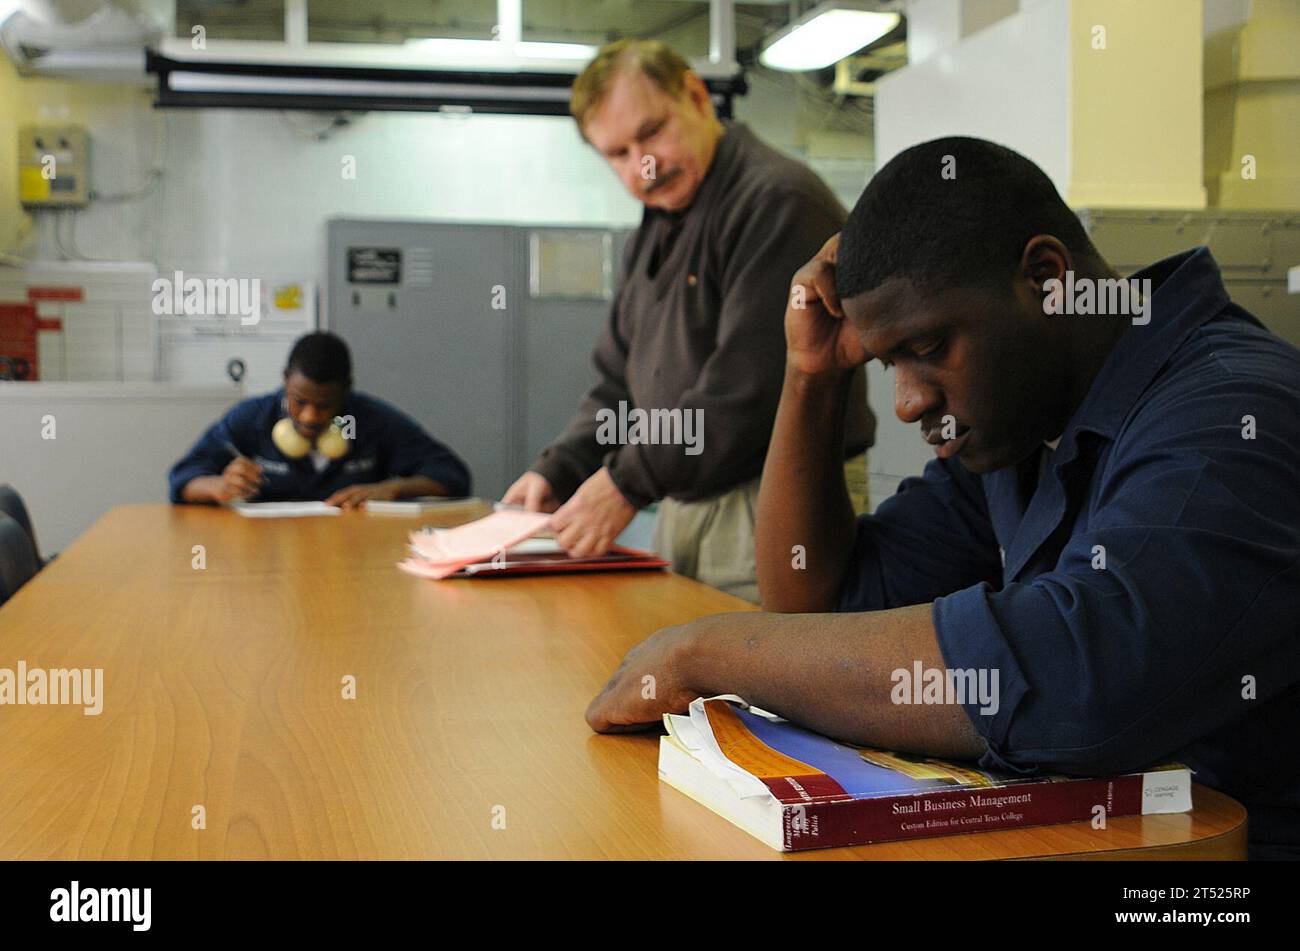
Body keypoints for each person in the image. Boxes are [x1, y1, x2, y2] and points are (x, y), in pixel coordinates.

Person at [584, 137, 1300, 860]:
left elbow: (1084, 675)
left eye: (926, 346)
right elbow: (819, 612)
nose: (905, 401)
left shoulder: (1232, 410)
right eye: (887, 361)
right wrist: (811, 376)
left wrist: (710, 650)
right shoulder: (1023, 432)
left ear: (1047, 278)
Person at [503, 39, 874, 603]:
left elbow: (746, 393)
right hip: (683, 496)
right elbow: (617, 384)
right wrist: (558, 470)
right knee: (678, 674)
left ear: (697, 97)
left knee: (765, 685)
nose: (642, 168)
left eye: (651, 134)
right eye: (618, 154)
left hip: (776, 502)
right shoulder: (658, 223)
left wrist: (627, 481)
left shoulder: (776, 202)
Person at [169, 331, 470, 507]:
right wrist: (217, 485)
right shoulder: (253, 418)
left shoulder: (374, 421)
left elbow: (453, 476)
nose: (310, 417)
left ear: (346, 391)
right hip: (268, 558)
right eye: (299, 401)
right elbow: (182, 478)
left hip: (353, 556)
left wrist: (393, 489)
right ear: (285, 381)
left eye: (325, 405)